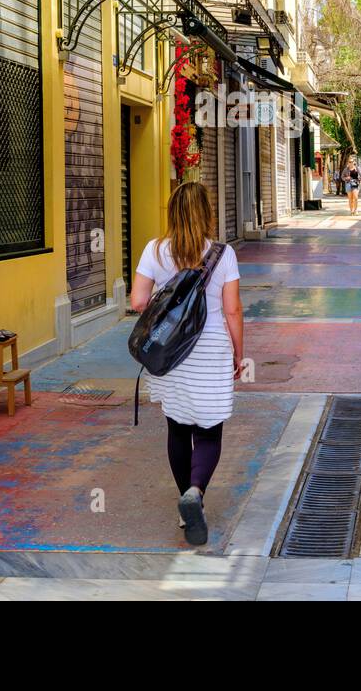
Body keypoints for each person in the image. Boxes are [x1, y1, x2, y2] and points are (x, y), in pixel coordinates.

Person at [130, 182, 244, 547]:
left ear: (172, 212)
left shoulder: (155, 250)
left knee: (177, 427)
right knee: (209, 431)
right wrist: (239, 353)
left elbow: (137, 302)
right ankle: (195, 492)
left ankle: (186, 506)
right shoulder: (222, 254)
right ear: (207, 212)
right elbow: (233, 310)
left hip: (170, 353)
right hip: (211, 351)